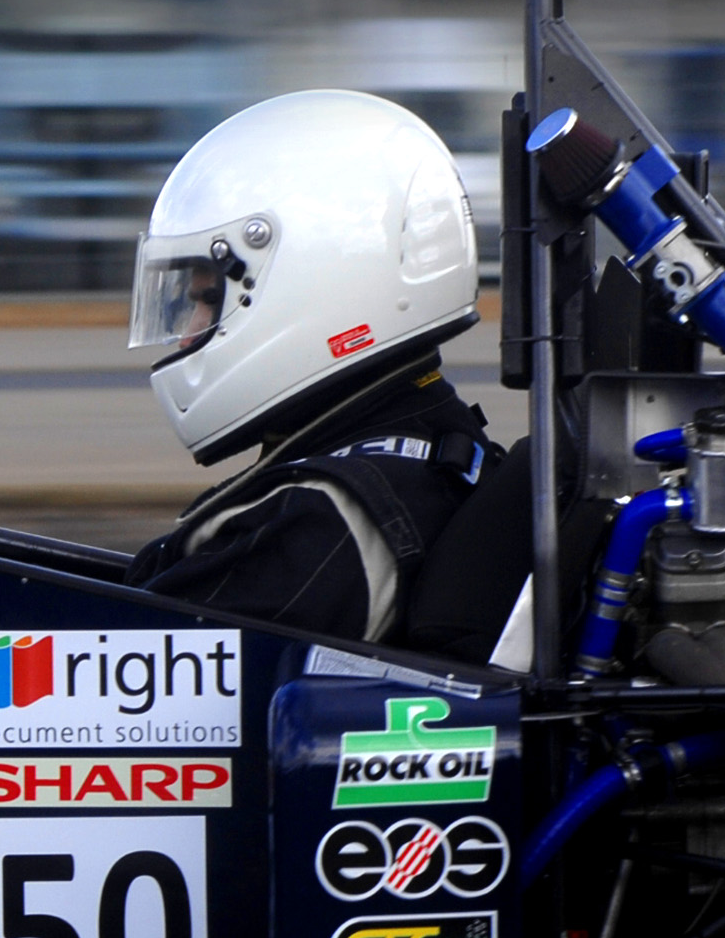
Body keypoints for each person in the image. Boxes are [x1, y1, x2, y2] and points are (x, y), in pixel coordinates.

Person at [125, 90, 494, 645]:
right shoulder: (433, 444)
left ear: (306, 282)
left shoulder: (319, 528)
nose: (184, 334)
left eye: (206, 298)